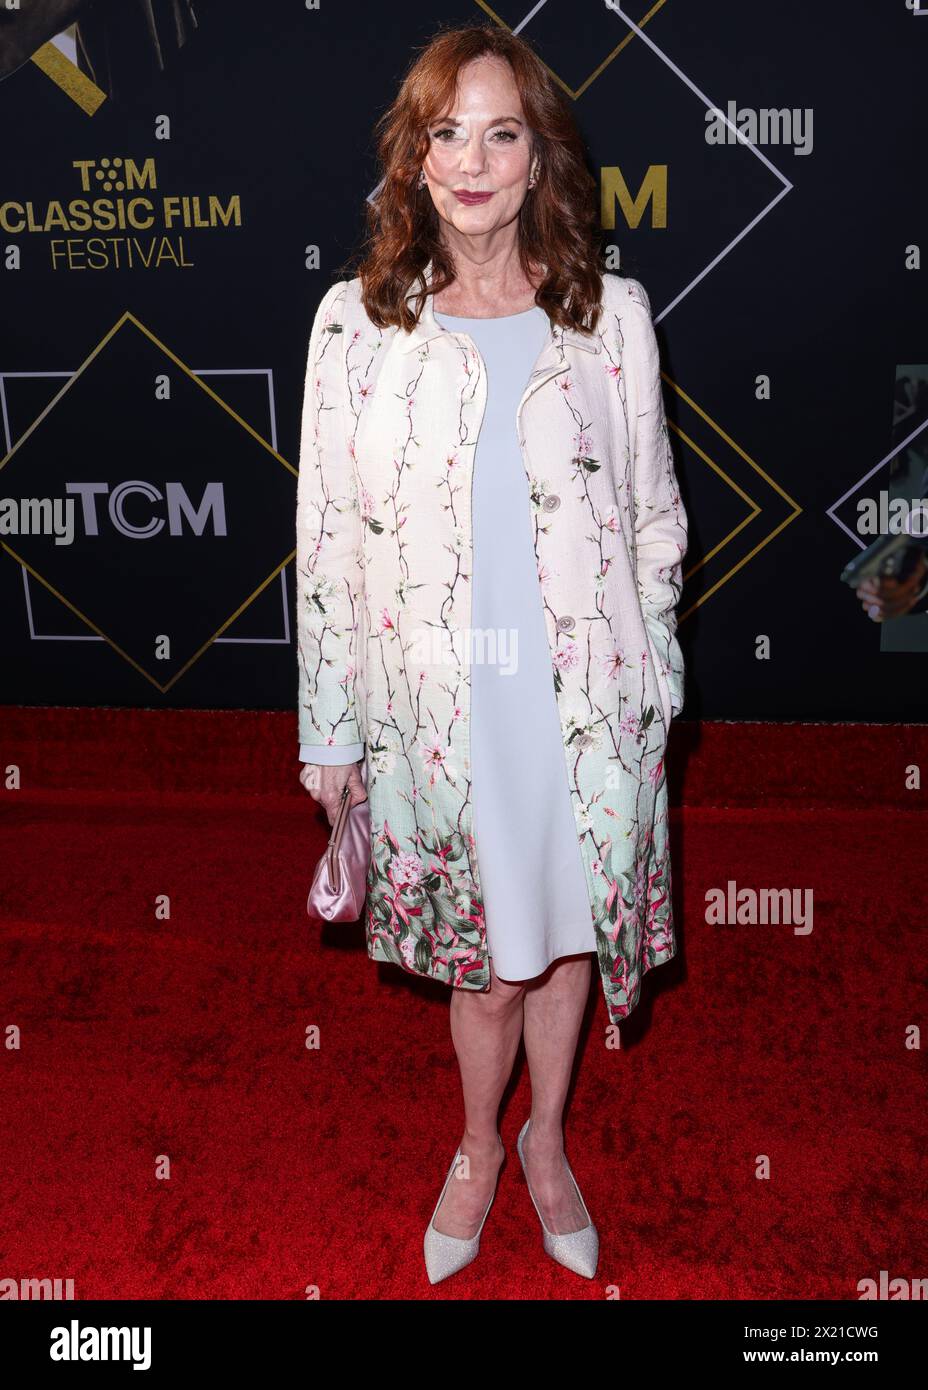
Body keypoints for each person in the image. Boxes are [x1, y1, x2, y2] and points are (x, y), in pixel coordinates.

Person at [295, 24, 687, 1285]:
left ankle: (548, 1140)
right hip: (445, 709)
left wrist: (656, 683)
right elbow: (328, 542)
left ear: (537, 161)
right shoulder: (355, 328)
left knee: (566, 940)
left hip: (583, 701)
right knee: (486, 959)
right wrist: (331, 730)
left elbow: (656, 518)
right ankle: (477, 1142)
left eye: (500, 132)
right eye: (444, 132)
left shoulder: (611, 319)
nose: (471, 159)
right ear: (414, 160)